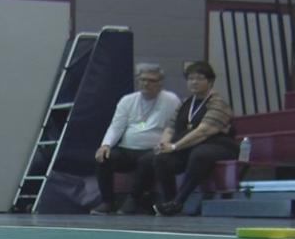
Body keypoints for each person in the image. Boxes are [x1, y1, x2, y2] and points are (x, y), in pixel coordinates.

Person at [135, 61, 240, 216]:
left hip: (219, 144)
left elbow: (204, 131)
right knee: (160, 159)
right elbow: (171, 127)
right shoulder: (186, 102)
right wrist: (164, 144)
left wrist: (175, 147)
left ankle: (179, 201)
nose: (194, 82)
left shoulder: (218, 103)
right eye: (190, 79)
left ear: (210, 81)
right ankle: (169, 202)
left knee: (200, 154)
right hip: (189, 145)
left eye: (199, 78)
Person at [91, 64, 181, 215]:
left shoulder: (171, 100)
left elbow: (173, 127)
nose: (146, 84)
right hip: (127, 149)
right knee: (104, 157)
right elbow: (116, 126)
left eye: (151, 80)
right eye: (143, 80)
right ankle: (107, 202)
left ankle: (133, 199)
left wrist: (165, 144)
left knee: (147, 160)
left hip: (153, 150)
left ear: (160, 83)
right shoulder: (127, 100)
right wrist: (105, 145)